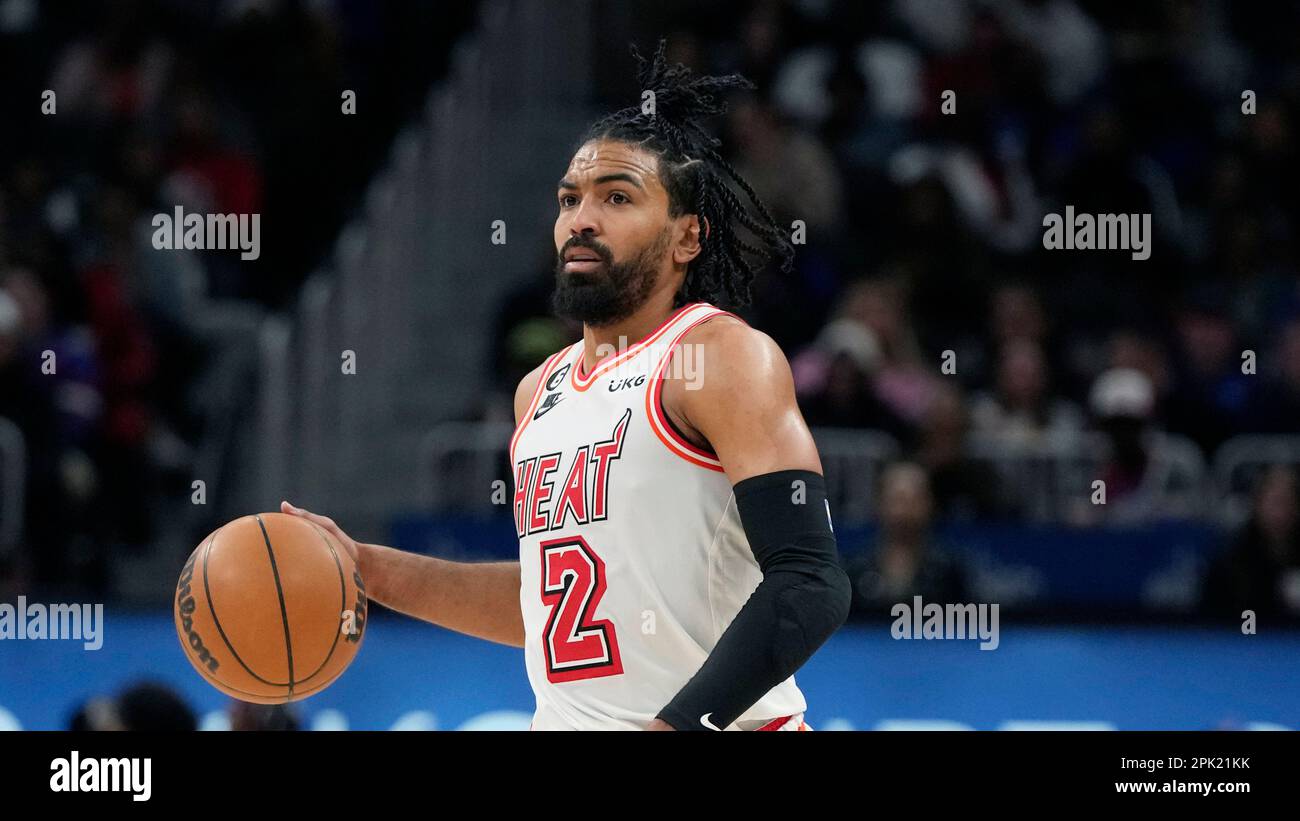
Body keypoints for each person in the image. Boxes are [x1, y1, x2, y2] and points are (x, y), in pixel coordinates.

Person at [282, 40, 850, 732]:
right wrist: (368, 568)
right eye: (569, 199)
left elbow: (810, 583)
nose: (581, 218)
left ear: (687, 238)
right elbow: (547, 603)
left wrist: (676, 726)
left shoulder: (719, 357)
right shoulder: (539, 391)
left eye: (617, 197)